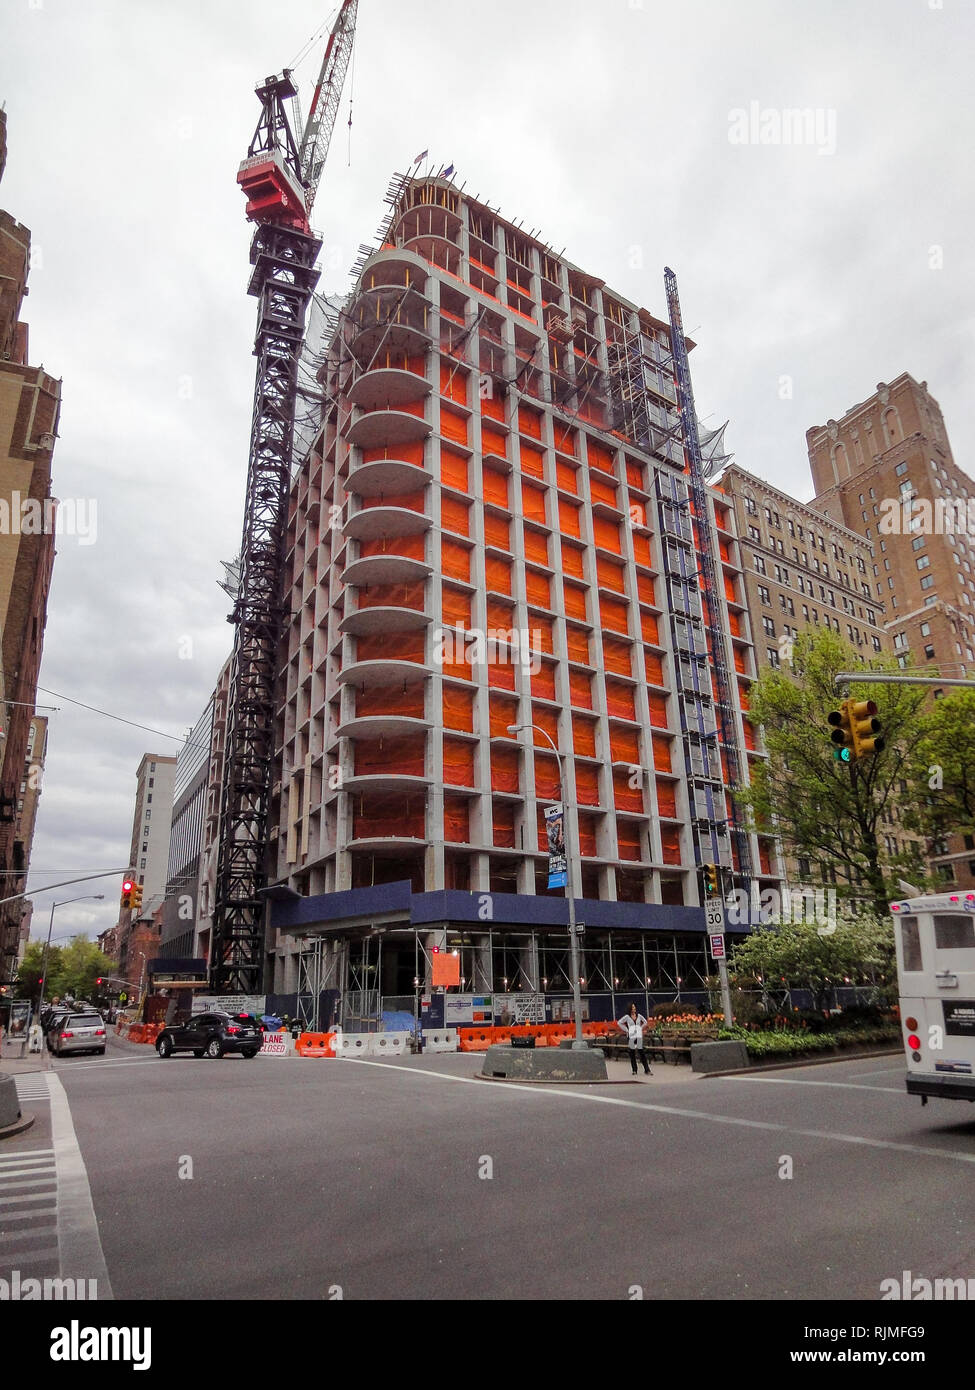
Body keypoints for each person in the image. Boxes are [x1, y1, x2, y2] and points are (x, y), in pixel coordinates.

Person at [617, 1002, 652, 1076]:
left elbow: (645, 1022)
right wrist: (627, 1030)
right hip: (631, 1036)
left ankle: (647, 1069)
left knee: (641, 1052)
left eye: (635, 1007)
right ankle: (634, 1070)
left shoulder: (639, 1016)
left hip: (638, 1036)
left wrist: (640, 1028)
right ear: (630, 1009)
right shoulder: (627, 1017)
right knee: (632, 1053)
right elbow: (619, 1023)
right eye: (633, 1007)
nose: (634, 1008)